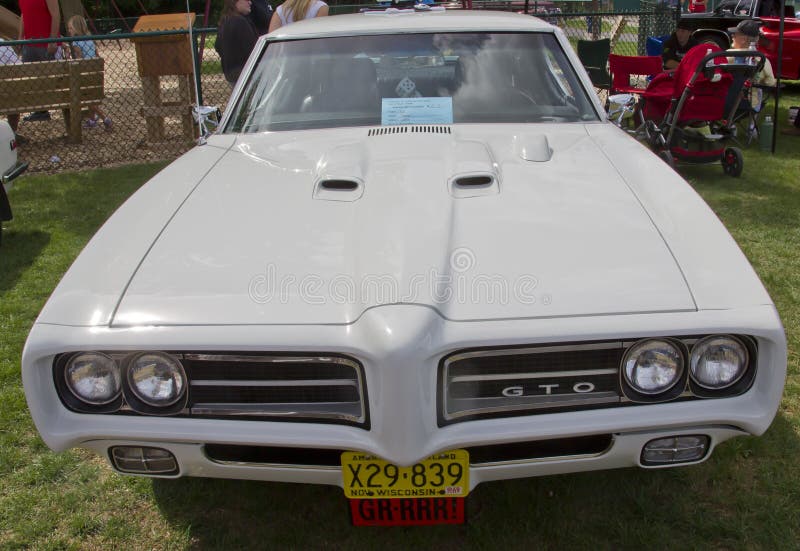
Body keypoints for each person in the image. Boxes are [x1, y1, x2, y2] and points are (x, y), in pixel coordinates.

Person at [9, 0, 62, 135]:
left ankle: (43, 109)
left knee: (50, 80)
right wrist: (21, 36)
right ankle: (40, 110)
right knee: (29, 80)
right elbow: (24, 15)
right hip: (30, 43)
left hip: (46, 43)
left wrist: (52, 39)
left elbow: (56, 15)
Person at [66, 15, 112, 131]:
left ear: (76, 29)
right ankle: (92, 120)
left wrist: (69, 57)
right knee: (90, 96)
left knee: (87, 99)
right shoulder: (90, 40)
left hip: (84, 74)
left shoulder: (76, 43)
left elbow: (79, 60)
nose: (69, 31)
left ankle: (105, 118)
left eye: (70, 28)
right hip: (94, 73)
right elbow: (96, 56)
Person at [216, 0, 259, 86]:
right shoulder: (241, 22)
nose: (250, 3)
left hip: (231, 75)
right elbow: (253, 50)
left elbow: (218, 46)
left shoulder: (225, 20)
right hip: (246, 76)